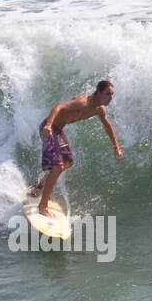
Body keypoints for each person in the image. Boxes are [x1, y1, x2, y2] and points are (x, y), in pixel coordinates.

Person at [30, 80, 123, 215]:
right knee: (58, 166)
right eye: (108, 94)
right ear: (98, 92)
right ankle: (42, 207)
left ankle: (39, 187)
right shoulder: (82, 103)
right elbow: (58, 107)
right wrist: (48, 126)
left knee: (68, 162)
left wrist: (116, 146)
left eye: (112, 94)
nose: (111, 97)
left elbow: (107, 126)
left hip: (58, 131)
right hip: (49, 128)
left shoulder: (99, 109)